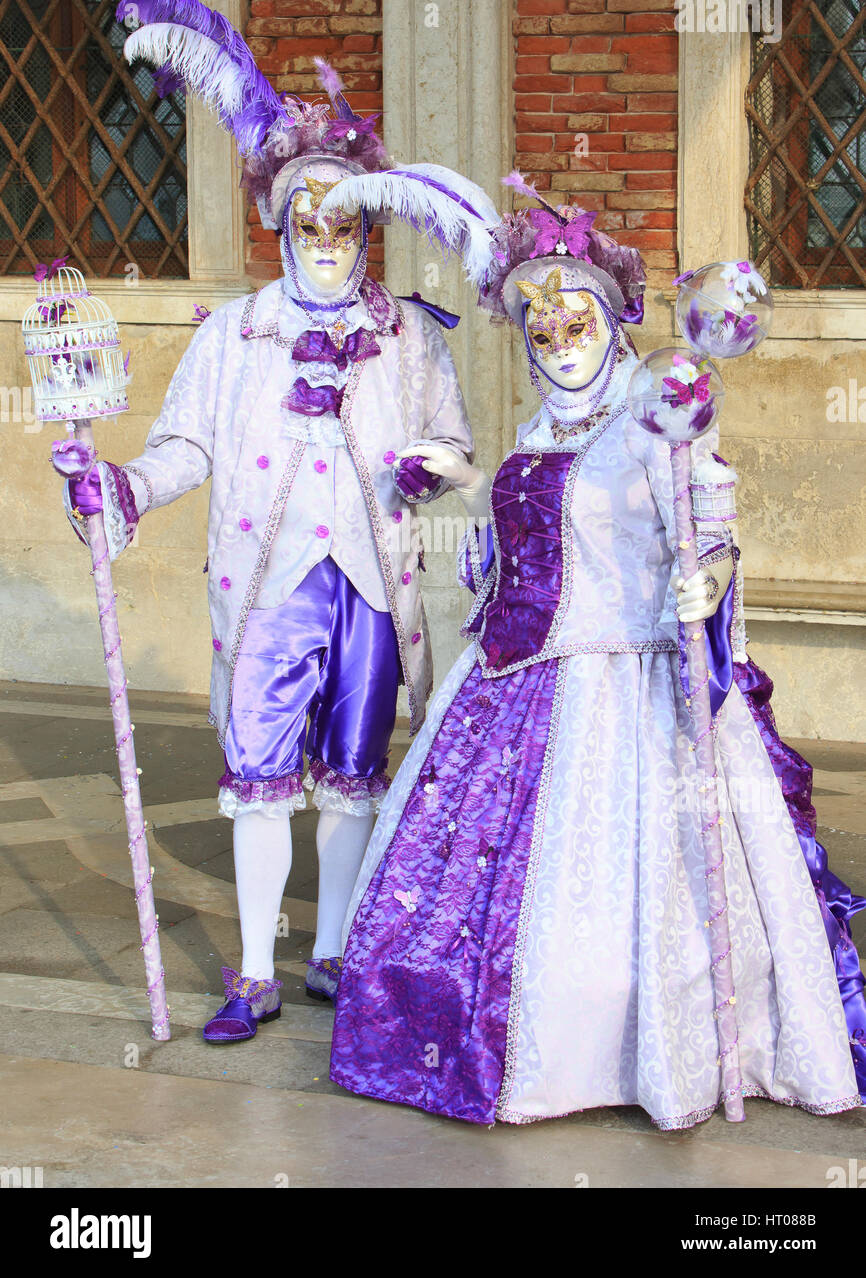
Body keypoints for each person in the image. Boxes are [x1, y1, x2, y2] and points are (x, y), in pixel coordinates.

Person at [324, 174, 866, 1128]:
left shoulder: (657, 420)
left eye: (578, 325)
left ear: (615, 323)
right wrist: (464, 496)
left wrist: (711, 573)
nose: (560, 343)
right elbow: (526, 555)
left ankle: (642, 1052)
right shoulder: (537, 431)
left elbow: (709, 520)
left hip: (633, 687)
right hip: (512, 684)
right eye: (542, 332)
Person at [53, 0, 478, 1039]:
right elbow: (184, 447)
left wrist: (436, 471)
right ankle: (252, 970)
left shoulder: (411, 338)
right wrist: (117, 486)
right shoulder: (235, 334)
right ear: (281, 222)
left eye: (344, 218)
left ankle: (331, 948)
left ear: (366, 228)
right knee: (257, 774)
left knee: (352, 774)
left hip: (374, 583)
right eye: (307, 217)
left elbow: (456, 445)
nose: (325, 234)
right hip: (268, 585)